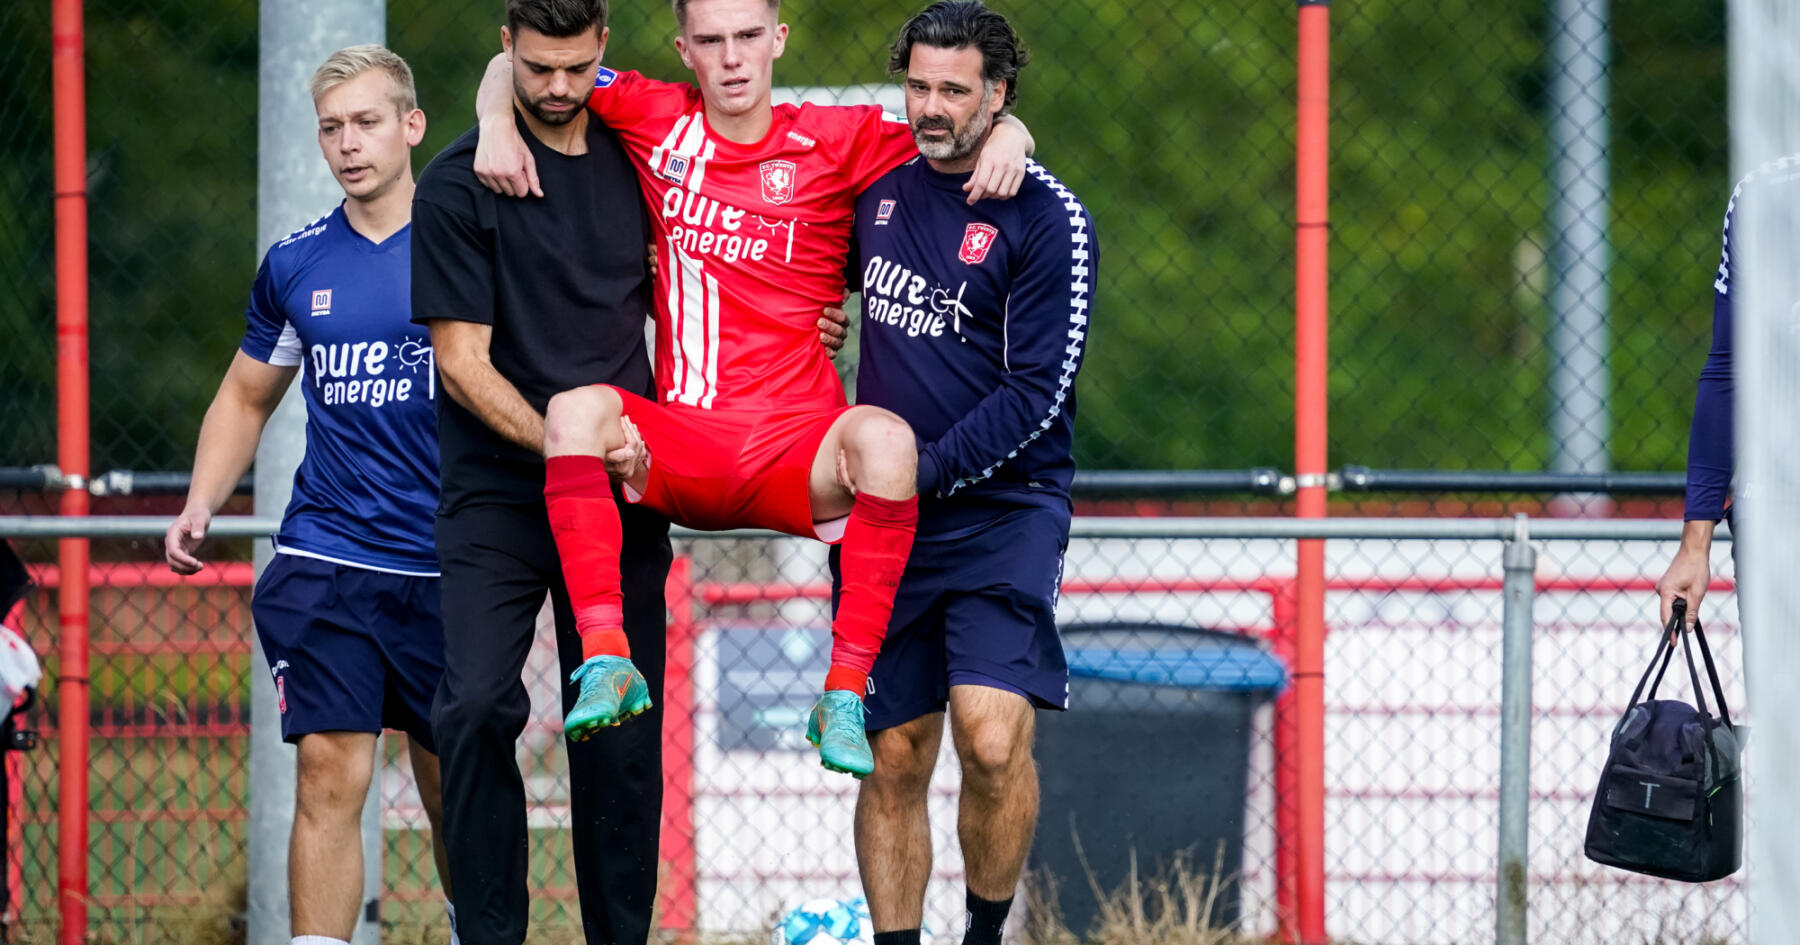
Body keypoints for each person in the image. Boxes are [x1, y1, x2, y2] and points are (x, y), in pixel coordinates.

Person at [470, 0, 1035, 778]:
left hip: (794, 452)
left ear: (778, 39)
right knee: (572, 408)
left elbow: (951, 128)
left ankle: (843, 690)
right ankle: (606, 656)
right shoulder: (647, 112)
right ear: (684, 49)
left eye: (746, 37)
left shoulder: (838, 140)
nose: (731, 58)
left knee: (890, 441)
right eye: (710, 41)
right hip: (674, 445)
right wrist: (495, 121)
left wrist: (1013, 131)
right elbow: (522, 64)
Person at [162, 46, 457, 945]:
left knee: (457, 783)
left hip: (452, 566)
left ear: (410, 127)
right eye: (331, 128)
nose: (347, 143)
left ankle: (470, 924)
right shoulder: (296, 264)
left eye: (367, 122)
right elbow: (247, 394)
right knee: (332, 771)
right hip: (330, 559)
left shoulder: (472, 249)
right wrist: (201, 501)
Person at [408, 3, 676, 944]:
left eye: (573, 67)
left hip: (619, 488)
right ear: (506, 48)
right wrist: (566, 444)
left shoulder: (642, 153)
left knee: (621, 732)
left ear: (602, 44)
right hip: (497, 489)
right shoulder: (457, 183)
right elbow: (461, 363)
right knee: (474, 705)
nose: (556, 87)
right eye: (534, 69)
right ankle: (488, 934)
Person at [835, 5, 1093, 945]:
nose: (932, 108)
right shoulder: (877, 187)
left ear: (999, 94)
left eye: (955, 89)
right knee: (893, 754)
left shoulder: (1049, 216)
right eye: (919, 85)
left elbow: (1038, 392)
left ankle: (985, 936)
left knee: (990, 736)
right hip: (887, 523)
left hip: (1003, 509)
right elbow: (799, 284)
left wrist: (922, 471)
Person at [1655, 153, 1800, 630]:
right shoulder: (1768, 195)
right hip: (1780, 501)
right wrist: (1694, 547)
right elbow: (1730, 371)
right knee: (1778, 702)